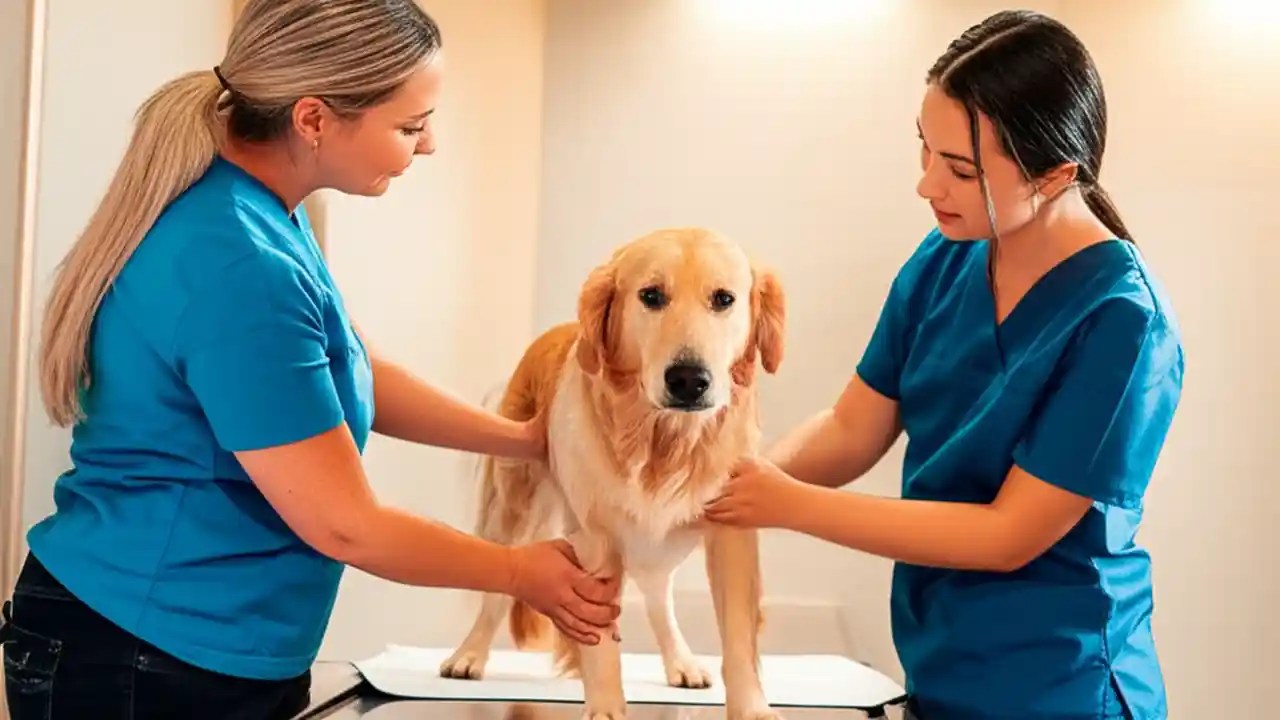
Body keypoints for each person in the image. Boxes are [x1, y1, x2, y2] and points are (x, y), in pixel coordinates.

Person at [0, 2, 619, 718]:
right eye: (410, 126)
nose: (428, 147)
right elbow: (345, 523)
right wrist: (520, 571)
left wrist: (523, 438)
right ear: (314, 120)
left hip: (203, 648)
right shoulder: (238, 262)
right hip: (142, 653)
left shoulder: (267, 215)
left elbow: (344, 370)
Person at [704, 10, 1182, 720]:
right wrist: (733, 483)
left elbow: (1007, 535)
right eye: (924, 151)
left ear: (1055, 174)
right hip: (941, 671)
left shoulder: (1122, 323)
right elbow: (849, 427)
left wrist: (790, 505)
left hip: (1062, 687)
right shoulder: (945, 259)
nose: (927, 186)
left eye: (959, 169)